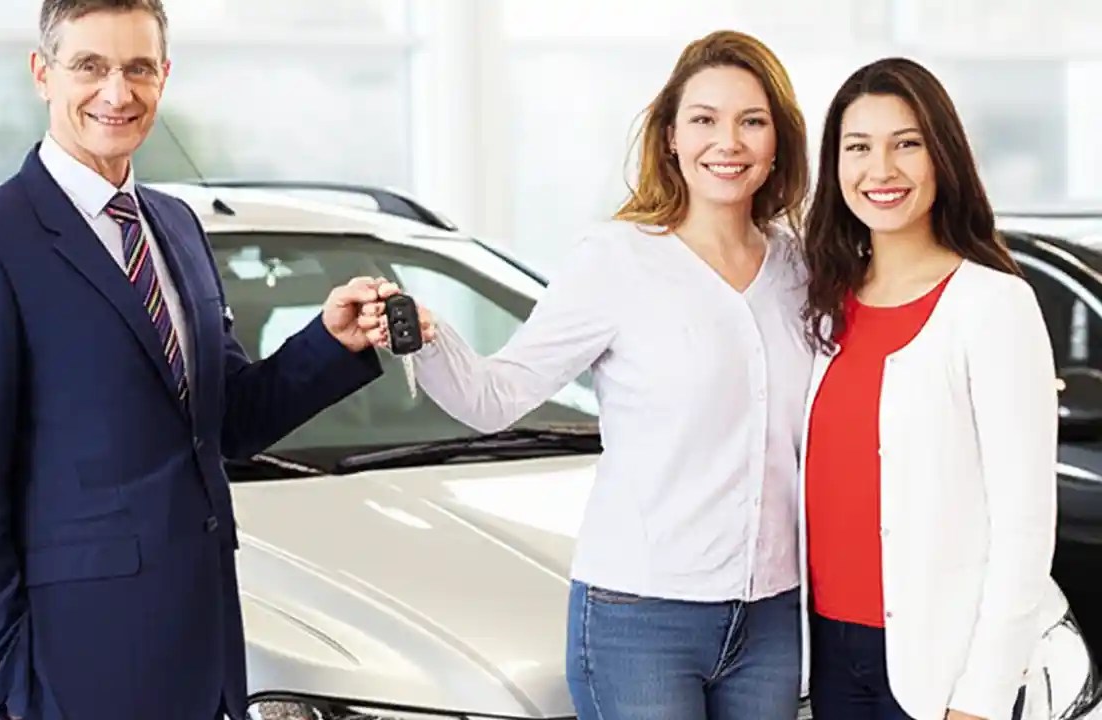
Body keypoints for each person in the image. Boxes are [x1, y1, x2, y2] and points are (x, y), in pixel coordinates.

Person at [0, 2, 393, 719]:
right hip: (66, 672)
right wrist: (4, 682)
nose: (118, 92)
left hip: (202, 652)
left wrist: (328, 343)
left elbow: (224, 421)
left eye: (138, 68)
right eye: (90, 67)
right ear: (42, 74)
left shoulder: (174, 225)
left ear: (164, 76)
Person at [363, 29, 812, 720]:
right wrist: (427, 336)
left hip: (772, 618)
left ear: (778, 140)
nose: (728, 142)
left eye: (751, 121)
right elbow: (495, 398)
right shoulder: (616, 260)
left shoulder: (800, 269)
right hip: (642, 619)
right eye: (704, 120)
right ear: (669, 136)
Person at [799, 57, 1063, 720]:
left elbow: (1024, 526)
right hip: (828, 656)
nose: (880, 170)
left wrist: (982, 694)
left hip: (940, 671)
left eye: (906, 144)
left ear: (943, 156)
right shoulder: (825, 305)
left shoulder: (993, 305)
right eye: (858, 148)